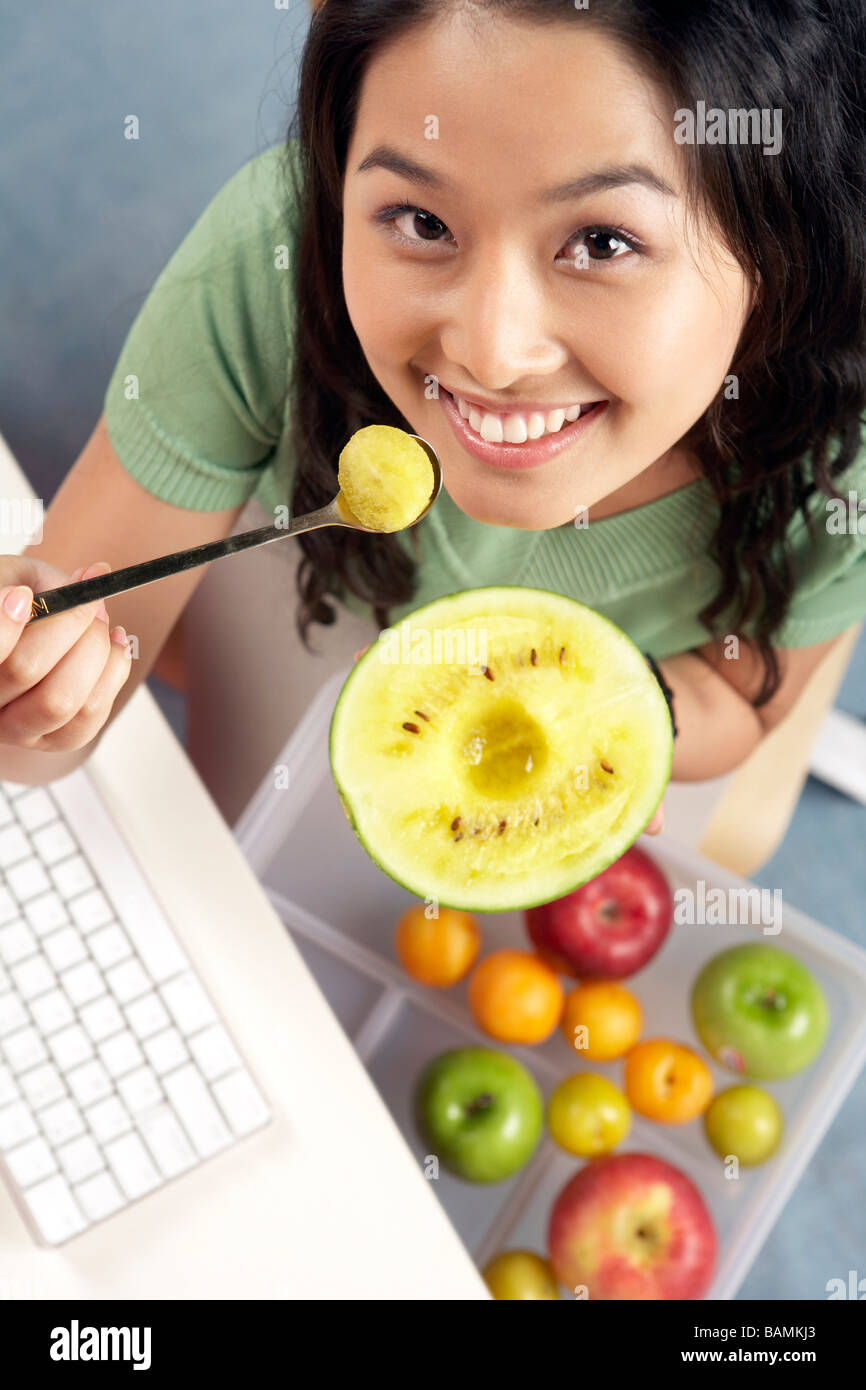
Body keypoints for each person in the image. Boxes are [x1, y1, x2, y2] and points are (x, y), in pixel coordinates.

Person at [2, 0, 864, 835]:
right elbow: (59, 720)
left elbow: (739, 691)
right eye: (421, 221)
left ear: (791, 240)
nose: (491, 352)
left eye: (602, 242)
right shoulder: (269, 261)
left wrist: (615, 715)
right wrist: (34, 695)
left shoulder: (846, 461)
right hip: (320, 580)